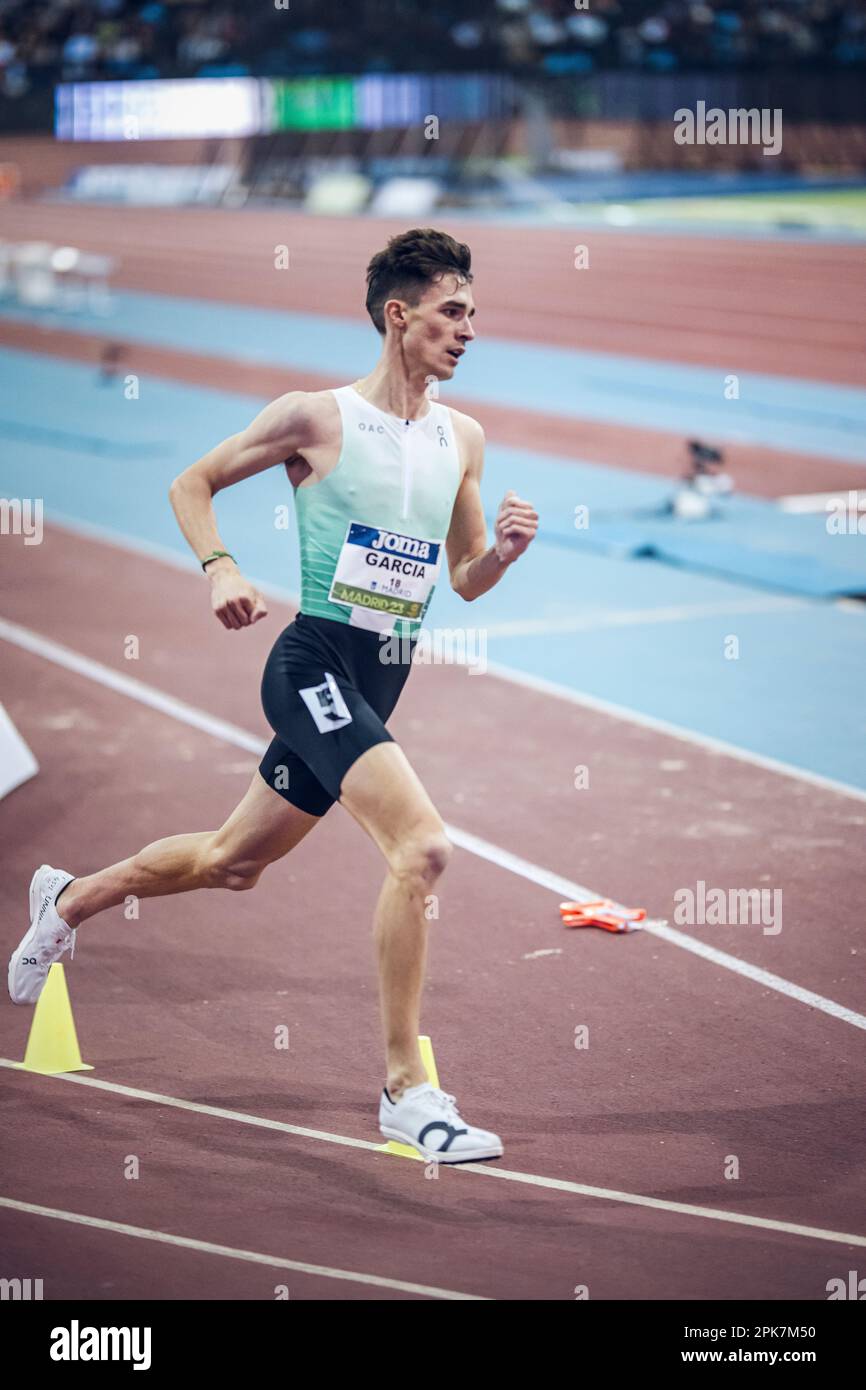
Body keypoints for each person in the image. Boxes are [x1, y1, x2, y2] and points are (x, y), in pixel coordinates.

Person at [8, 227, 539, 1163]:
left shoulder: (465, 436)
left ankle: (69, 899)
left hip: (386, 671)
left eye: (474, 314)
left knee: (232, 860)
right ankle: (406, 1094)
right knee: (421, 849)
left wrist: (499, 552)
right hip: (314, 666)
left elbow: (462, 577)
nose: (468, 330)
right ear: (398, 314)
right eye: (453, 312)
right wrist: (221, 568)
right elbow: (192, 481)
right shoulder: (317, 418)